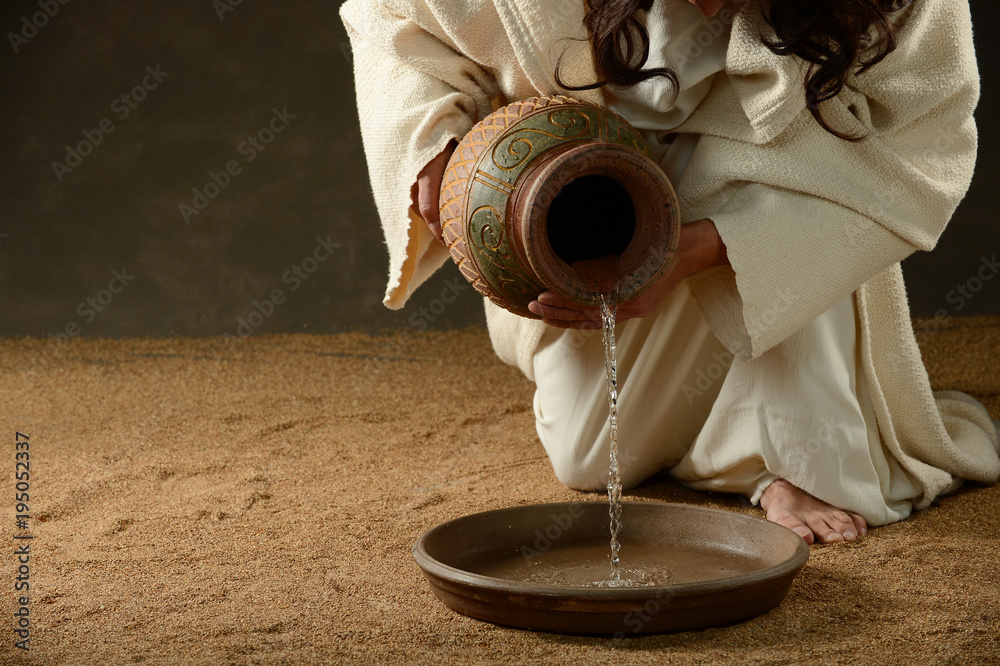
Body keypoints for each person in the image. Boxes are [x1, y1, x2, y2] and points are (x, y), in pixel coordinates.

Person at [341, 0, 1000, 544]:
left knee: (817, 147)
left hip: (788, 179)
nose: (710, 11)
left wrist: (699, 249)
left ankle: (785, 455)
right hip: (597, 191)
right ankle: (722, 433)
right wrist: (431, 144)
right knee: (592, 456)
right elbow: (388, 18)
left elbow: (927, 140)